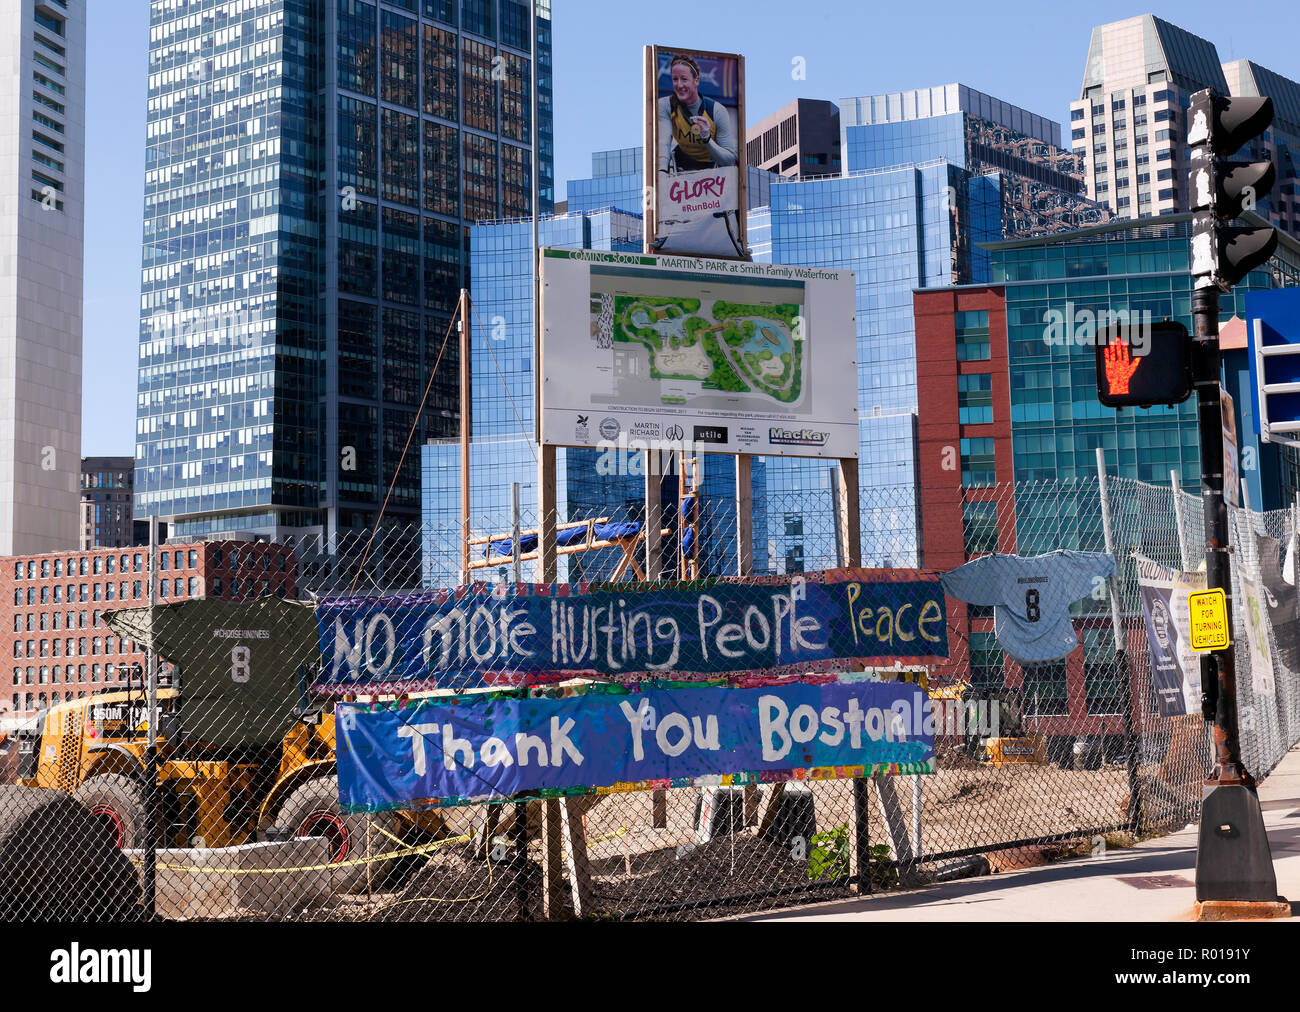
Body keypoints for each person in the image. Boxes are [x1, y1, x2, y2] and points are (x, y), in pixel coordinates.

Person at [657, 54, 737, 173]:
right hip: (681, 166)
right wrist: (661, 171)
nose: (679, 85)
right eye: (675, 79)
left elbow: (729, 160)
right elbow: (664, 142)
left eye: (684, 79)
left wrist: (707, 138)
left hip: (712, 170)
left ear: (696, 80)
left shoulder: (717, 110)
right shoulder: (665, 105)